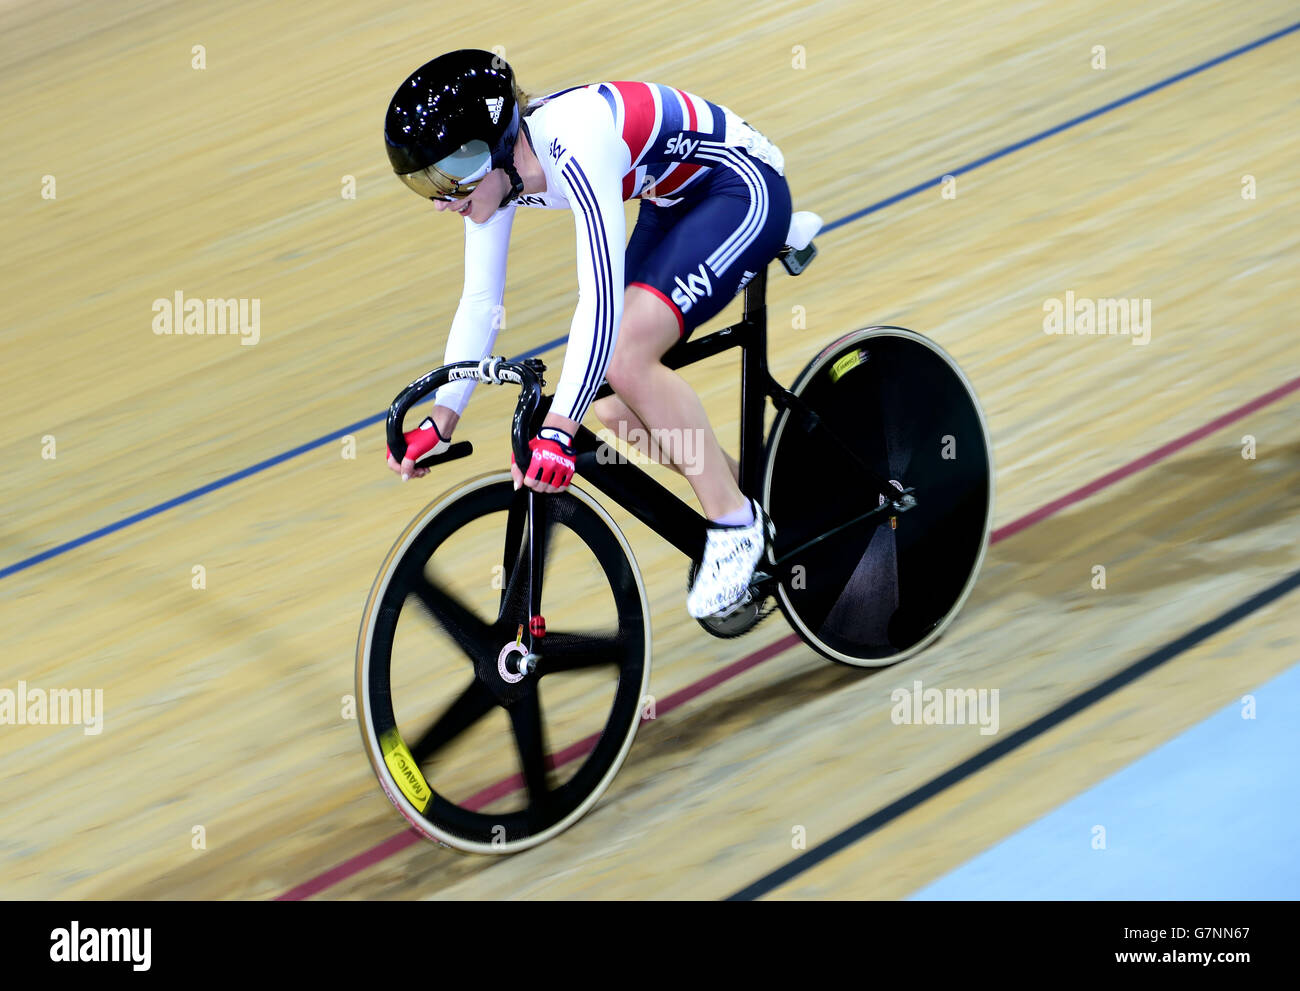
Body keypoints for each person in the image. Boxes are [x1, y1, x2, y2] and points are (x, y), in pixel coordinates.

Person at [383, 49, 793, 619]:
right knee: (611, 408)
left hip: (742, 188)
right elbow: (481, 300)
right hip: (671, 199)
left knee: (623, 360)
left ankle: (736, 525)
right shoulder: (500, 176)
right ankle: (753, 500)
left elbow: (598, 296)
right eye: (425, 183)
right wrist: (442, 416)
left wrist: (556, 427)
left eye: (450, 176)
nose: (441, 200)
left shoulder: (573, 143)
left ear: (495, 144)